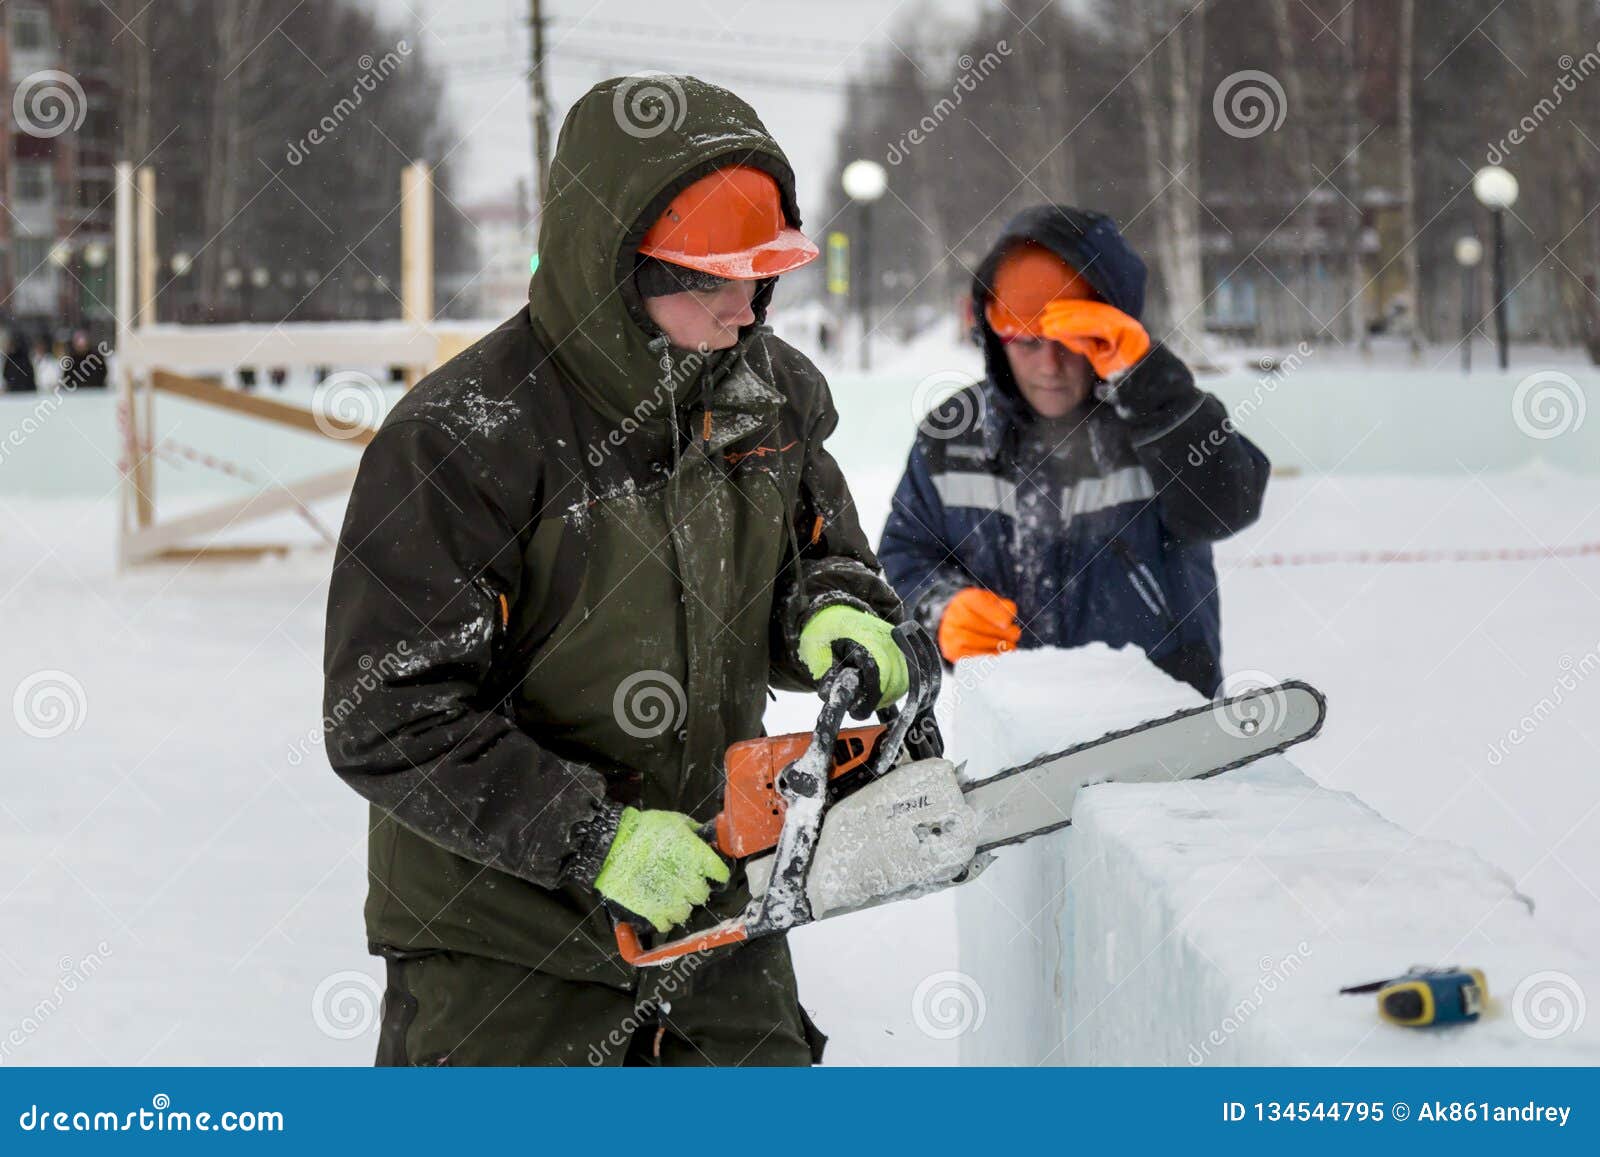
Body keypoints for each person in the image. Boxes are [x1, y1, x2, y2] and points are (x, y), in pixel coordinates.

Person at [323, 75, 906, 1067]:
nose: (743, 310)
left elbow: (821, 555)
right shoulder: (466, 439)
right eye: (708, 279)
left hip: (722, 911)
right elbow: (385, 715)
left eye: (761, 277)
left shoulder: (770, 398)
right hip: (505, 953)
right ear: (615, 269)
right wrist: (590, 836)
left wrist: (832, 613)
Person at [879, 205, 1269, 696]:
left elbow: (1227, 507)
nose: (1050, 365)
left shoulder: (1162, 417)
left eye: (1072, 340)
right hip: (1016, 722)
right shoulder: (951, 436)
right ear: (994, 338)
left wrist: (1151, 385)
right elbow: (905, 554)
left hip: (1164, 722)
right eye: (1027, 343)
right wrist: (938, 608)